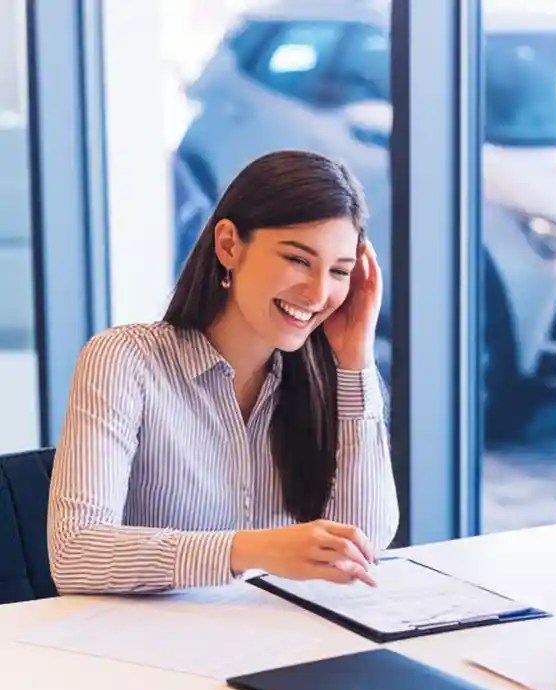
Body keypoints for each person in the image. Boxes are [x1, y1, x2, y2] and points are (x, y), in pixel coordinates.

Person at [48, 150, 399, 594]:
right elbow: (75, 554)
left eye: (339, 271)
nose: (317, 292)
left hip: (279, 643)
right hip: (150, 652)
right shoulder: (124, 361)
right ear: (229, 245)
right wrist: (249, 550)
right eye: (298, 260)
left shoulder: (328, 374)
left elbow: (363, 541)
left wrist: (356, 359)